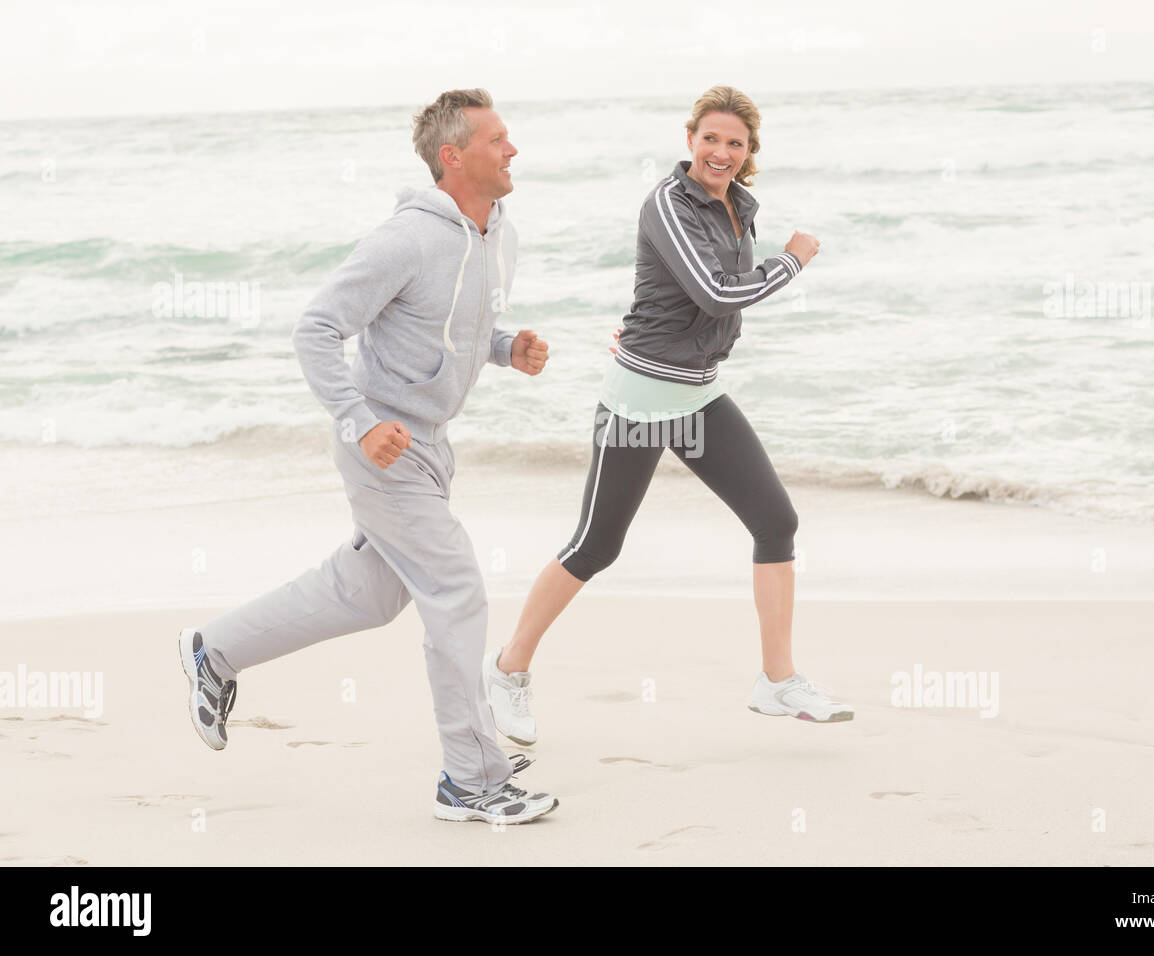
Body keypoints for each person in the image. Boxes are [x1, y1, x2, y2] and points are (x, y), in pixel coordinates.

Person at [178, 88, 559, 825]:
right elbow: (316, 328)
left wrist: (510, 350)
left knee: (367, 594)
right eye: (498, 140)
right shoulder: (407, 239)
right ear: (454, 157)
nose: (513, 150)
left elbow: (453, 331)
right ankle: (470, 780)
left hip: (429, 449)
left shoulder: (498, 233)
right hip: (381, 451)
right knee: (456, 590)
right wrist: (356, 421)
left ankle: (212, 652)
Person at [482, 85, 853, 745]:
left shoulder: (736, 206)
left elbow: (696, 305)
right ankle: (507, 669)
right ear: (690, 140)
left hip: (699, 394)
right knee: (596, 546)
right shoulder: (666, 203)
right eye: (710, 138)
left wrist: (662, 333)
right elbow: (714, 295)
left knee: (776, 522)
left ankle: (777, 680)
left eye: (735, 143)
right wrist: (792, 260)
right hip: (640, 400)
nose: (721, 151)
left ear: (748, 152)